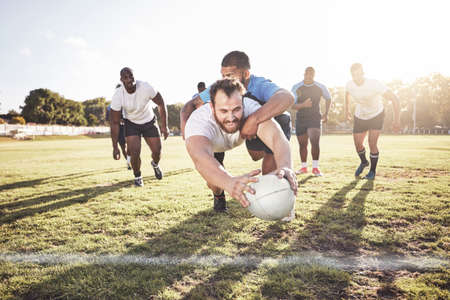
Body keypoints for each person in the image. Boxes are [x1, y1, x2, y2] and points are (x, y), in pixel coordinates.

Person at [181, 51, 294, 210]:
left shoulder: (251, 100)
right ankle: (218, 196)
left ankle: (276, 190)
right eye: (223, 110)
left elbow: (277, 135)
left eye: (230, 75)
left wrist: (285, 165)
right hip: (214, 139)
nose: (231, 116)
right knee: (215, 180)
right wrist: (228, 181)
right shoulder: (199, 122)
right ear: (212, 106)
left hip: (248, 129)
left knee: (275, 129)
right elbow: (201, 158)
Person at [110, 67, 169, 186]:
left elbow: (161, 104)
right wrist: (115, 146)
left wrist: (164, 126)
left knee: (157, 151)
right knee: (135, 153)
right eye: (126, 77)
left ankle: (155, 164)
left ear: (134, 76)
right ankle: (138, 176)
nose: (129, 79)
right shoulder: (118, 95)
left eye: (131, 76)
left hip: (149, 121)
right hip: (131, 123)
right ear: (121, 80)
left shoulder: (146, 87)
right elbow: (114, 123)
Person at [345, 63, 400, 180]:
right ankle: (364, 162)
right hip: (360, 115)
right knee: (357, 144)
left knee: (372, 142)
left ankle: (372, 172)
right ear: (352, 76)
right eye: (354, 75)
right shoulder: (349, 85)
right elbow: (347, 94)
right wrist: (347, 110)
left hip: (376, 114)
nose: (357, 77)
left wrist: (396, 120)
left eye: (359, 74)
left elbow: (395, 98)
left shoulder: (374, 84)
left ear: (363, 73)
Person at [291, 67, 332, 176]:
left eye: (311, 74)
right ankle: (304, 167)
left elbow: (328, 98)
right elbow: (292, 105)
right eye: (307, 74)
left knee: (314, 141)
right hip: (301, 118)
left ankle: (315, 168)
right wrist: (303, 105)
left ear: (314, 75)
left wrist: (326, 113)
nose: (308, 76)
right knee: (302, 144)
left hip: (314, 118)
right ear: (304, 74)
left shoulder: (320, 87)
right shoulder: (296, 87)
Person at [107, 98, 131, 170]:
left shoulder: (128, 103)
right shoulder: (110, 106)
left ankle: (130, 162)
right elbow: (110, 120)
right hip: (119, 130)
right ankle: (128, 163)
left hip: (129, 127)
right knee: (124, 147)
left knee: (131, 147)